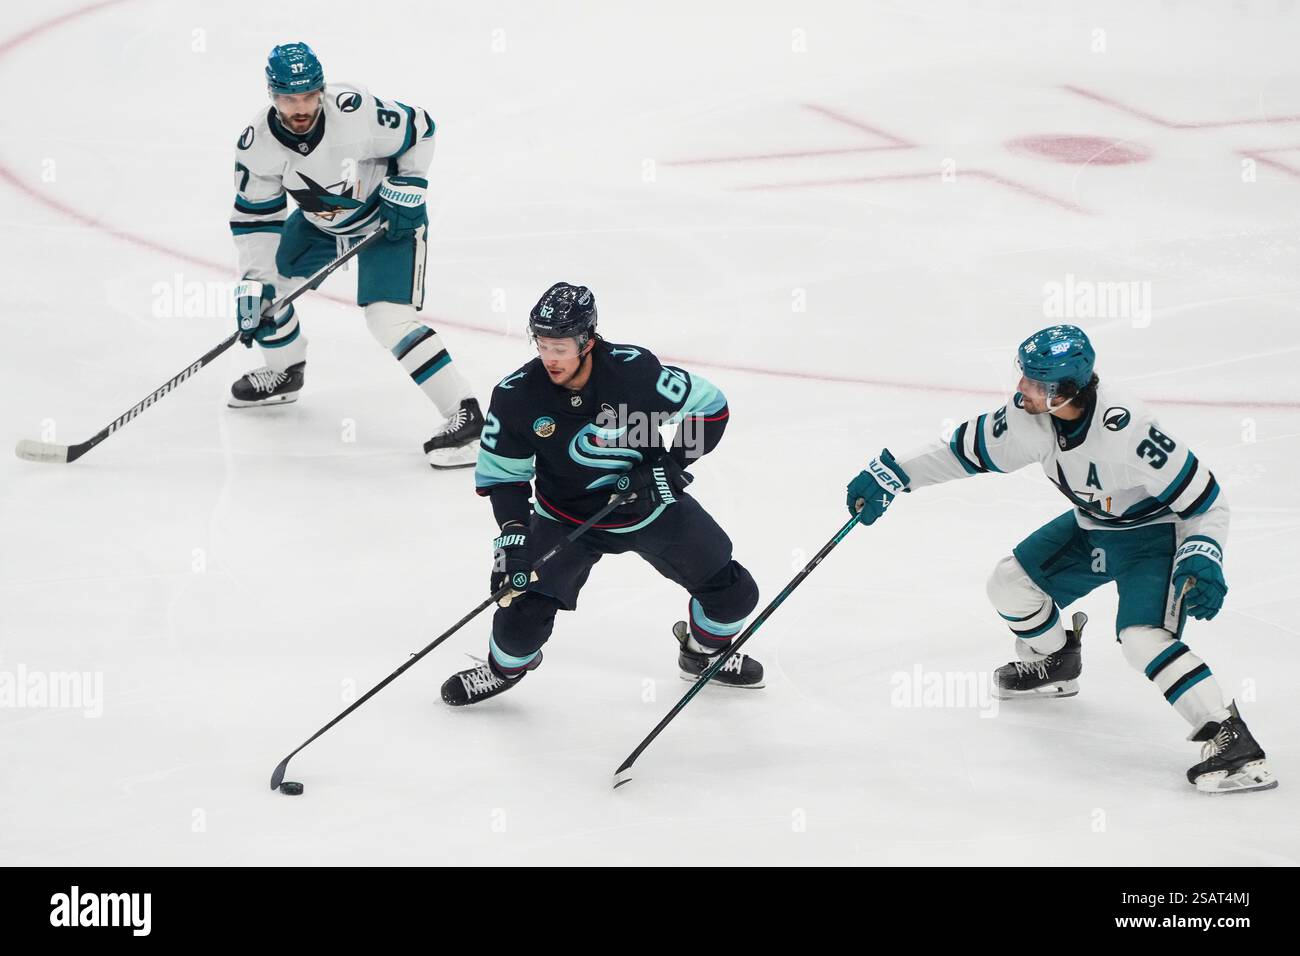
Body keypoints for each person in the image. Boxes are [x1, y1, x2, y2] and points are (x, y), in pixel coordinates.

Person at [844, 324, 1276, 794]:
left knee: (1141, 638)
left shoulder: (1130, 433)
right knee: (1009, 583)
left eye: (1033, 382)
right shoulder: (1031, 418)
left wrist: (1202, 552)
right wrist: (895, 474)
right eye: (1022, 375)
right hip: (1093, 528)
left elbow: (1206, 501)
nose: (1020, 388)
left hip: (1154, 538)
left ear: (1066, 390)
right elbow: (963, 451)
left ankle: (1231, 737)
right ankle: (1057, 660)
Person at [441, 282, 763, 705]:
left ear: (587, 341)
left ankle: (702, 653)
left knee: (736, 595)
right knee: (519, 617)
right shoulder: (518, 395)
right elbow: (504, 478)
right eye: (542, 344)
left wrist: (668, 467)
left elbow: (711, 409)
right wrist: (514, 535)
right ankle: (503, 670)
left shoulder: (635, 373)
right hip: (566, 520)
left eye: (560, 347)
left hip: (650, 507)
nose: (550, 358)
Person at [227, 42, 480, 468]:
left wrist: (412, 183)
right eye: (289, 98)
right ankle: (286, 372)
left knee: (387, 319)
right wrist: (255, 281)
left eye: (308, 95)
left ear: (320, 89)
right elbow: (255, 219)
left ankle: (468, 418)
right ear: (271, 95)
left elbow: (421, 128)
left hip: (387, 221)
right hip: (321, 225)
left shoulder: (354, 110)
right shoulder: (257, 145)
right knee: (267, 293)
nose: (301, 106)